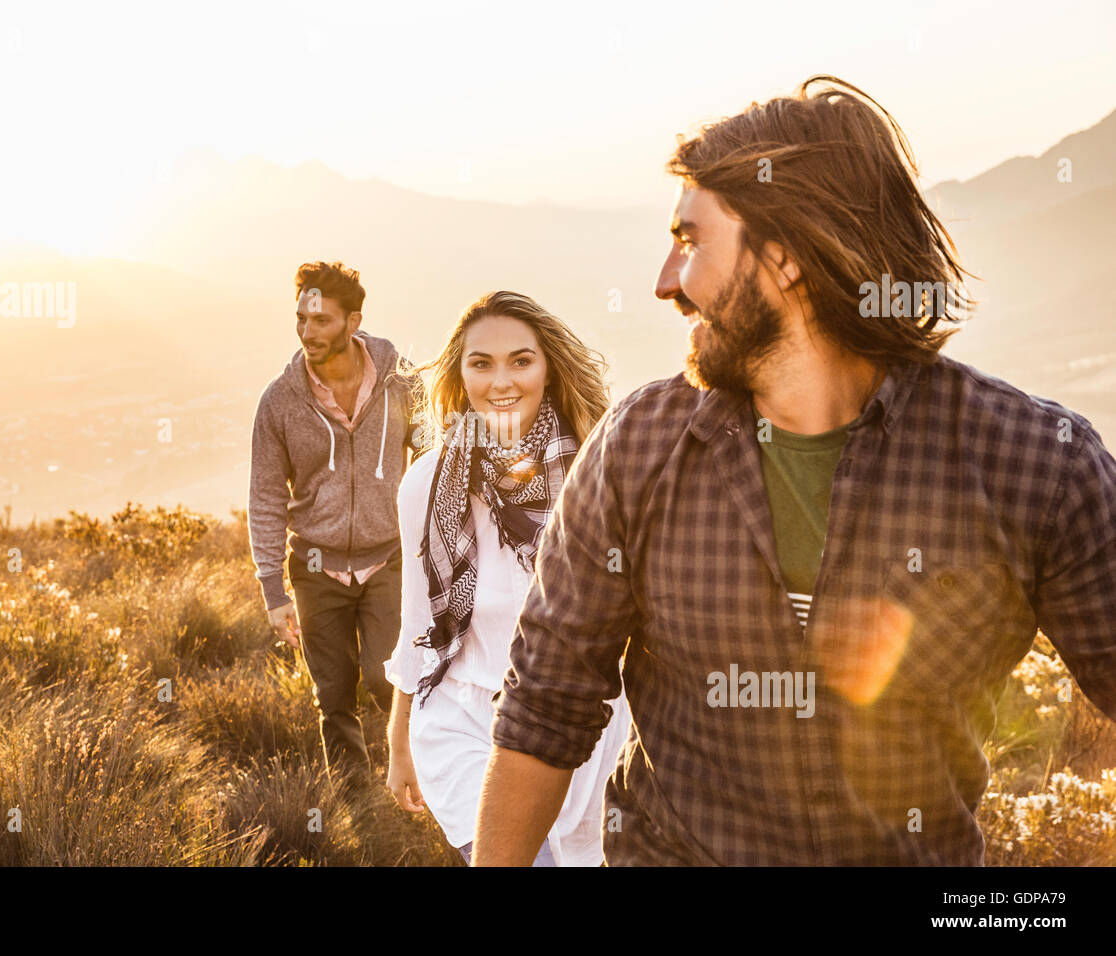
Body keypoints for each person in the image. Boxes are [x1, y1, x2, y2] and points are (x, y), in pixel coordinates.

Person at [471, 76, 1116, 865]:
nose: (665, 281)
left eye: (691, 241)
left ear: (786, 258)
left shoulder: (1037, 465)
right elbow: (545, 710)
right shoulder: (637, 448)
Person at [384, 291, 633, 866]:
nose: (501, 381)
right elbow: (418, 626)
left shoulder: (594, 472)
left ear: (548, 370)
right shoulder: (426, 485)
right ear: (460, 374)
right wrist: (400, 741)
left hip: (586, 723)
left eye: (521, 361)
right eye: (482, 363)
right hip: (466, 722)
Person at [248, 260, 423, 780]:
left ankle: (421, 774)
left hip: (388, 559)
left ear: (353, 322)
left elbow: (434, 452)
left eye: (321, 320)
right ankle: (356, 805)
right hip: (315, 565)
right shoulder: (279, 401)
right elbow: (264, 498)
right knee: (333, 693)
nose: (307, 331)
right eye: (301, 318)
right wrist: (272, 591)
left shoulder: (400, 381)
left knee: (385, 678)